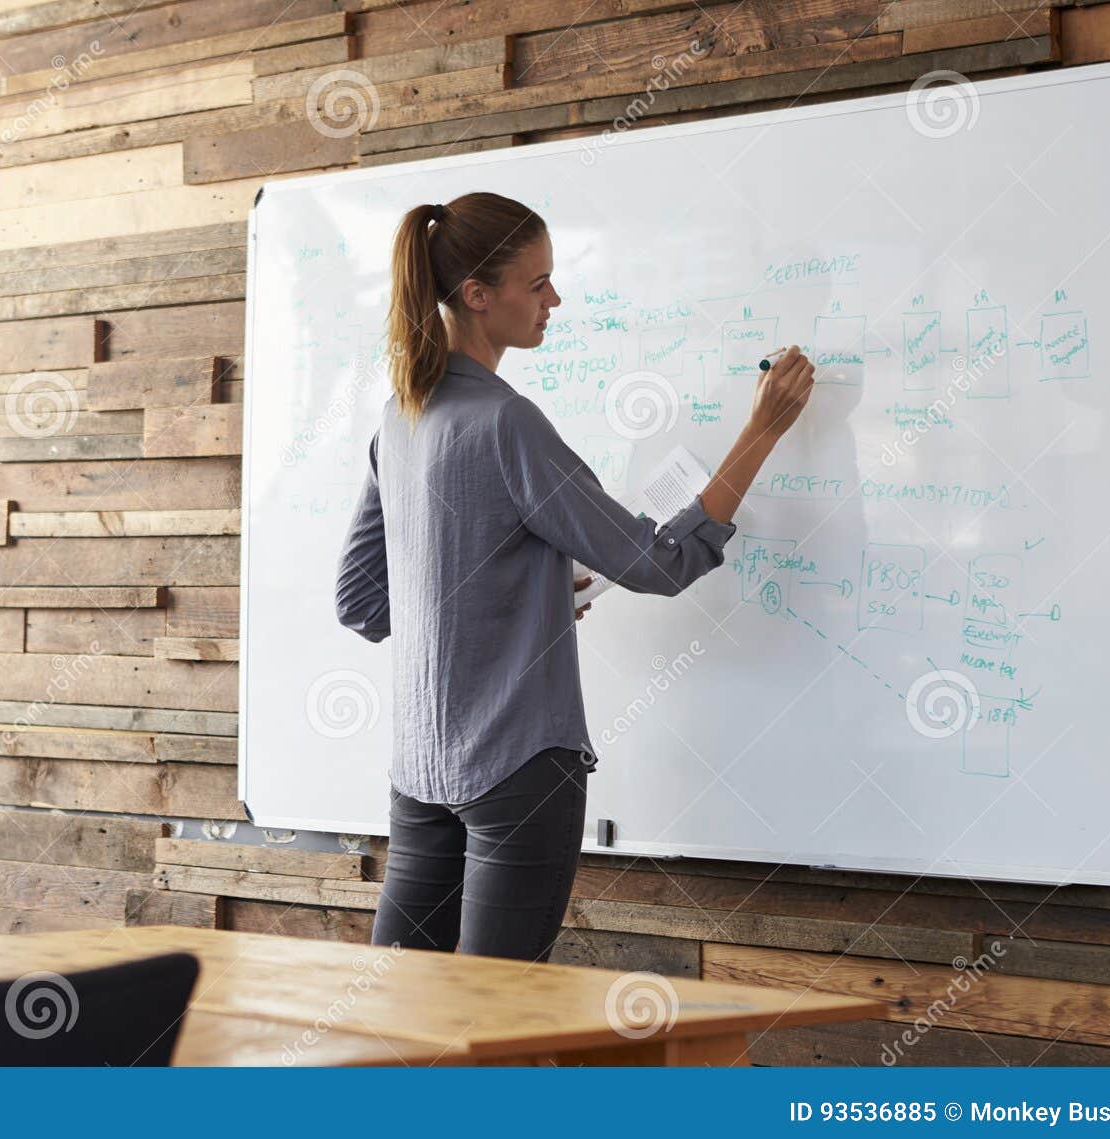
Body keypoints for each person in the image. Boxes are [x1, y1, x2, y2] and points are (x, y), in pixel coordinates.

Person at [335, 191, 816, 961]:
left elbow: (363, 603)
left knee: (404, 1014)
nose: (554, 299)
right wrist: (760, 432)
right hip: (520, 774)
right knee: (497, 1025)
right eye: (538, 283)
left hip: (420, 775)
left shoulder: (402, 416)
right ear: (477, 295)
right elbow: (661, 562)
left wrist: (514, 589)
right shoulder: (506, 423)